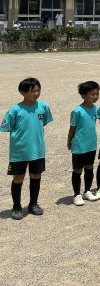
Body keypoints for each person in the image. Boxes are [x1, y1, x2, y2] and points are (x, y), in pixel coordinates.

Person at [1, 77, 53, 220]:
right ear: (22, 92)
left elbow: (44, 122)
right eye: (32, 91)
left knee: (36, 176)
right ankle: (17, 207)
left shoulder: (43, 107)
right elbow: (6, 127)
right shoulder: (15, 110)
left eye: (38, 90)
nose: (36, 93)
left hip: (38, 150)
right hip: (19, 152)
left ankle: (33, 204)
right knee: (18, 178)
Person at [68, 81, 100, 205]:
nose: (95, 96)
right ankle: (77, 194)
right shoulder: (77, 111)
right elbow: (72, 128)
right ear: (83, 95)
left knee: (89, 167)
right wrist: (69, 141)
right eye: (92, 94)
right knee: (77, 170)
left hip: (91, 144)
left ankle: (87, 191)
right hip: (79, 145)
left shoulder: (95, 109)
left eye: (97, 93)